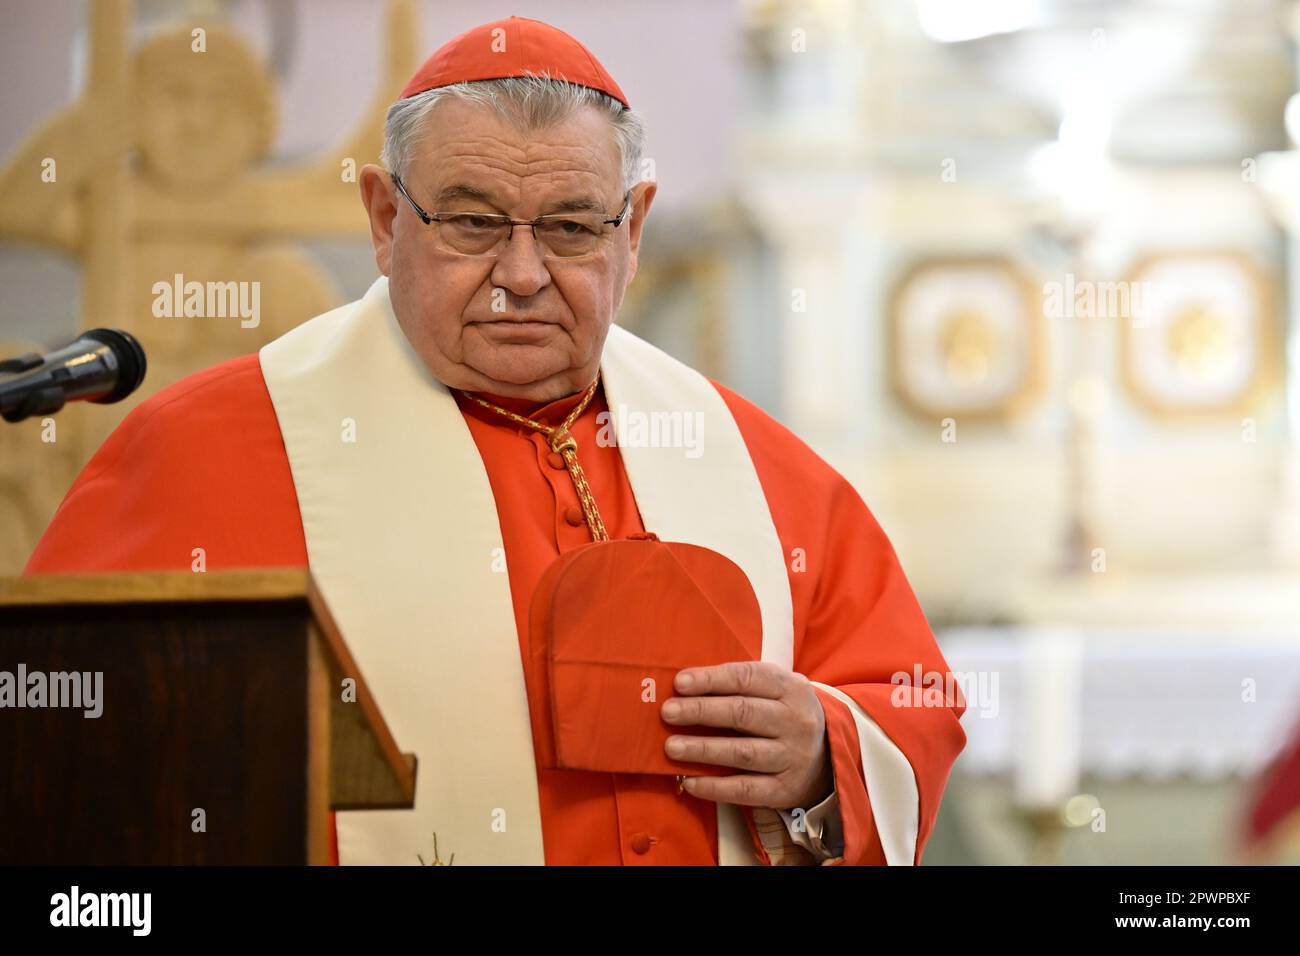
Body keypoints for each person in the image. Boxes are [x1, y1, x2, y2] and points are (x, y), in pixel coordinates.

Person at [25, 15, 966, 866]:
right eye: (473, 223)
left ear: (631, 229)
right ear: (387, 220)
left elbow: (909, 698)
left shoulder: (750, 463)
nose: (521, 275)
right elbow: (59, 747)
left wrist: (820, 756)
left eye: (569, 228)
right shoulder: (206, 451)